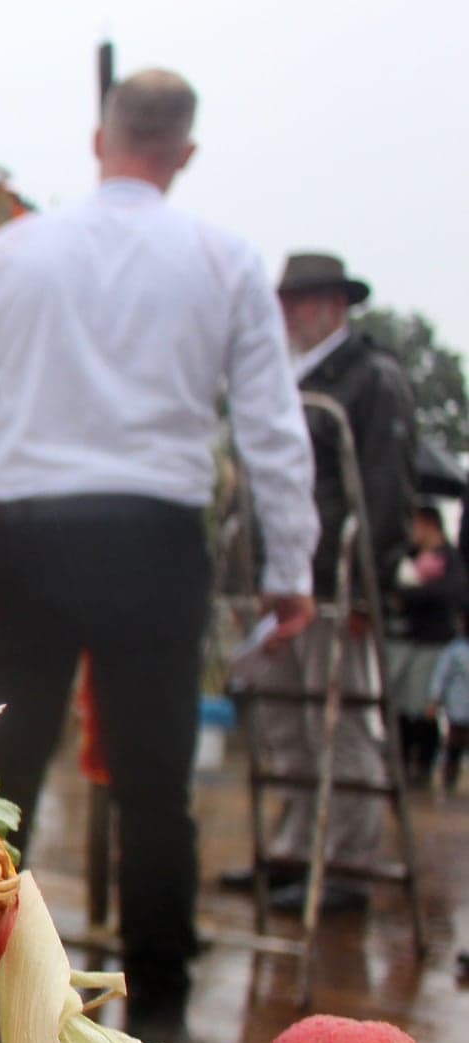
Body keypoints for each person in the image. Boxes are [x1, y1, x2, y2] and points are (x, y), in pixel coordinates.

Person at [0, 69, 318, 1043]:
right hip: (155, 534)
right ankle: (161, 1012)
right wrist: (293, 568)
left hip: (30, 528)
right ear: (185, 153)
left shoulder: (9, 253)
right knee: (157, 786)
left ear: (98, 138)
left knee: (0, 770)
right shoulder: (224, 258)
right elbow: (271, 430)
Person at [237, 252, 418, 910]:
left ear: (336, 304)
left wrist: (371, 585)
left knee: (339, 725)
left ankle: (344, 861)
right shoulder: (290, 375)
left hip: (338, 583)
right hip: (284, 583)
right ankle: (293, 852)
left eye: (303, 301)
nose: (289, 315)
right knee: (285, 724)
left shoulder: (371, 378)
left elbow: (385, 488)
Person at [388, 505, 468, 785]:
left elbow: (452, 591)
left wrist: (411, 593)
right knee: (399, 707)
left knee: (424, 708)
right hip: (404, 640)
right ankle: (402, 763)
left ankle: (423, 764)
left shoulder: (450, 559)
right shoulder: (408, 555)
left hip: (432, 642)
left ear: (429, 524)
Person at [427, 614, 469, 793]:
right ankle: (448, 782)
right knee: (454, 744)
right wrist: (434, 700)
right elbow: (440, 676)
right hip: (457, 708)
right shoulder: (454, 650)